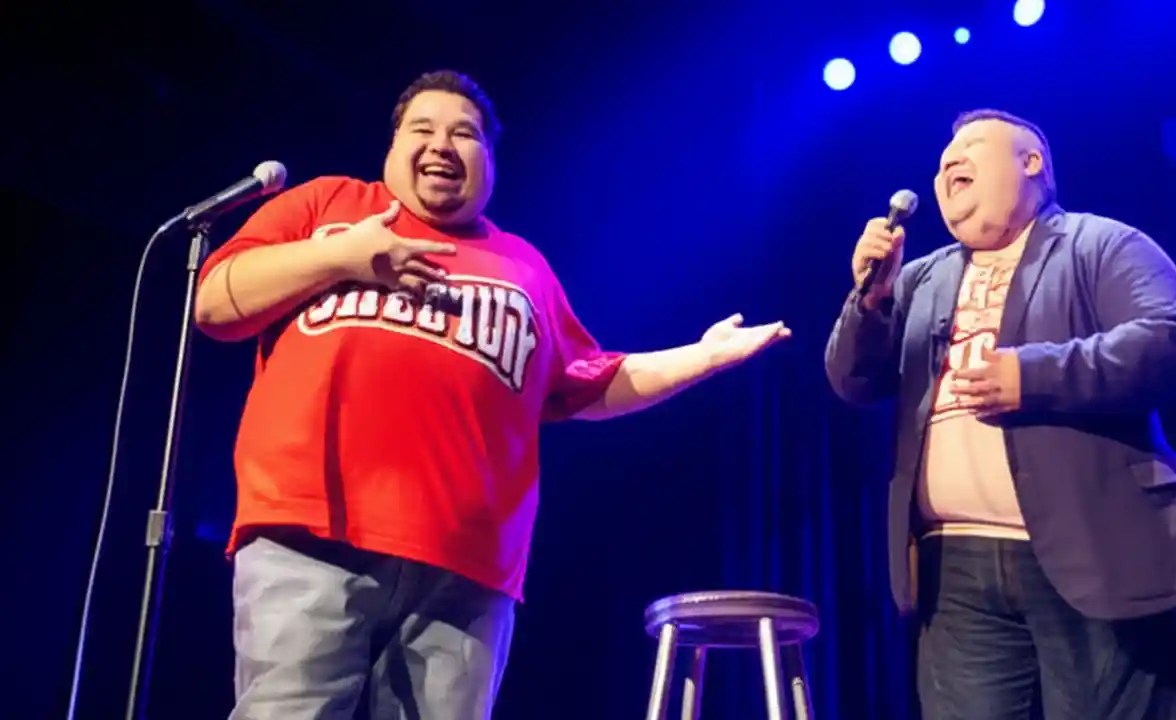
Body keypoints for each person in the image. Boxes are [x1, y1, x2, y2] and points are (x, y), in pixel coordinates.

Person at [193, 69, 790, 719]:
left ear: (490, 161)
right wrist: (341, 258)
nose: (442, 145)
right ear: (393, 146)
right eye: (422, 129)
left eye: (464, 134)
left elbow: (589, 382)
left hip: (467, 572)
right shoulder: (327, 207)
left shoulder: (523, 267)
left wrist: (698, 358)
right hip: (311, 532)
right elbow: (217, 301)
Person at [823, 109, 1176, 719]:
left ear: (1031, 162)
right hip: (952, 571)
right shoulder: (920, 279)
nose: (949, 162)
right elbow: (852, 380)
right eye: (942, 161)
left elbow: (1170, 341)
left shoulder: (1101, 243)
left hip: (1097, 550)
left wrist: (1031, 375)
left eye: (971, 148)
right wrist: (871, 302)